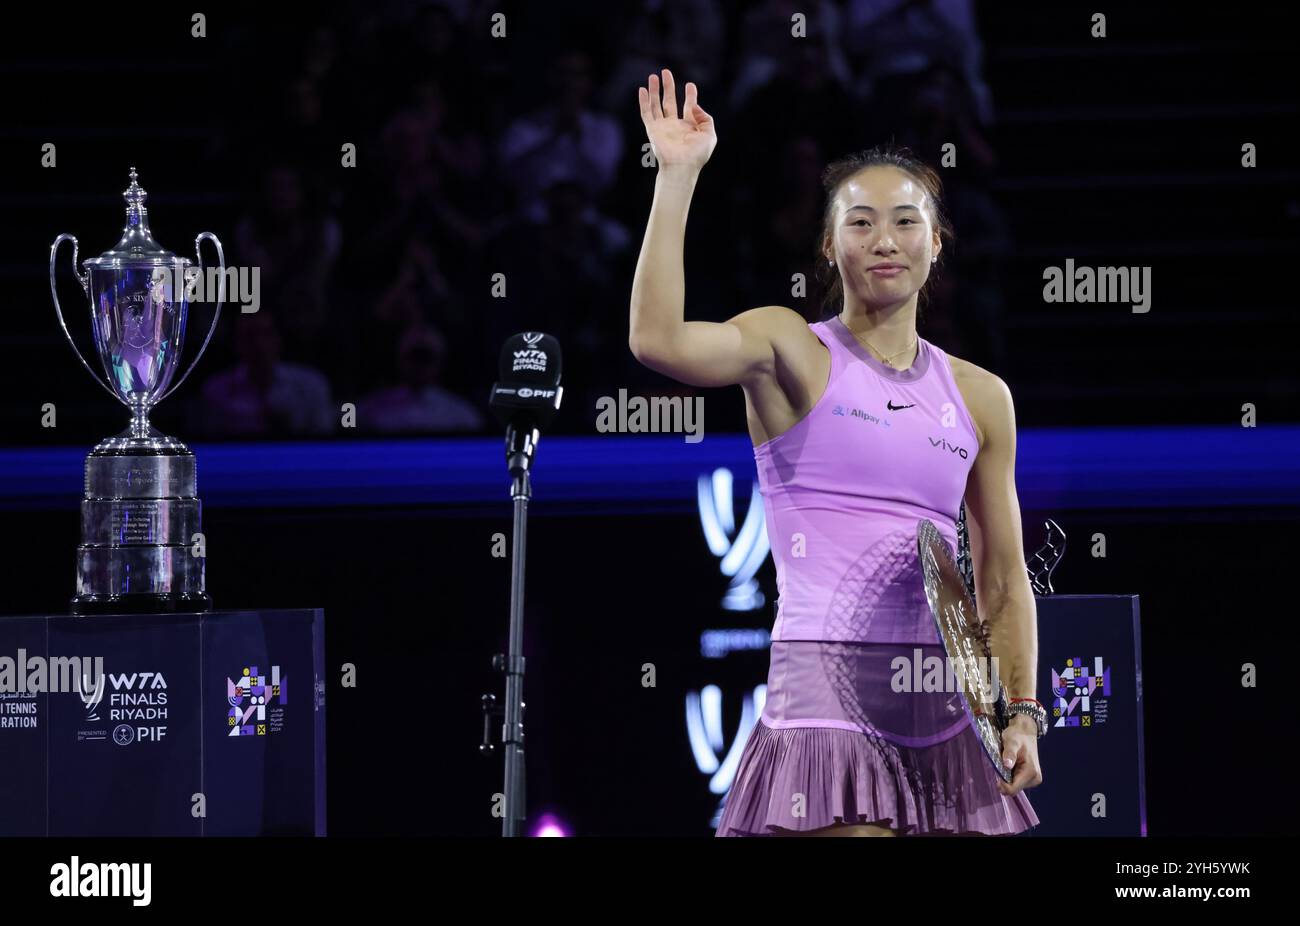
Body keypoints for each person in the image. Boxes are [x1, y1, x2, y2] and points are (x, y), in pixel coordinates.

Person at [630, 69, 1043, 836]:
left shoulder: (983, 397)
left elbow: (1002, 577)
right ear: (828, 244)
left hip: (947, 706)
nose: (884, 240)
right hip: (825, 702)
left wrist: (1021, 711)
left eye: (905, 221)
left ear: (937, 241)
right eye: (859, 223)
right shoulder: (789, 347)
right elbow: (657, 341)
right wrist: (677, 176)